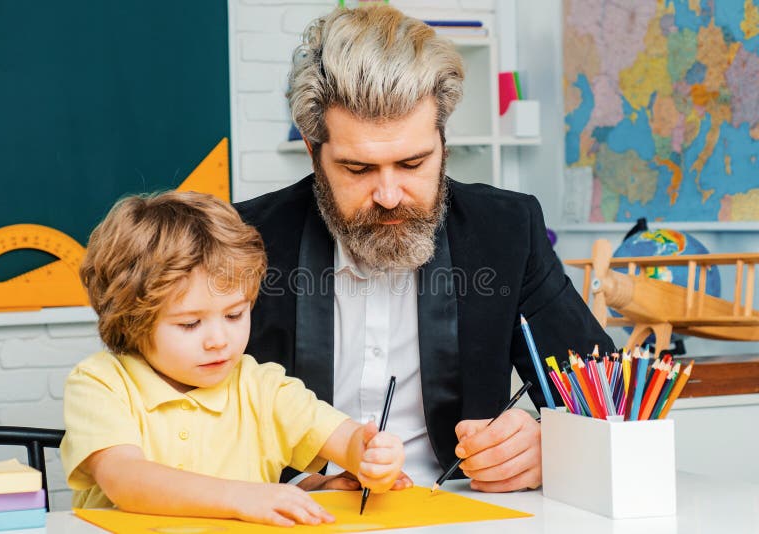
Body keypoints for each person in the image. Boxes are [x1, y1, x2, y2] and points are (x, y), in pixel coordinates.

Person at [234, 5, 614, 493]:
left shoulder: (507, 230)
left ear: (442, 141)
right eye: (358, 169)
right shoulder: (242, 238)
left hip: (460, 512)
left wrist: (552, 444)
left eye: (413, 163)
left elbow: (610, 396)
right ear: (313, 151)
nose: (389, 195)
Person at [60, 191, 406, 527]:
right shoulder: (101, 383)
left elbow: (345, 439)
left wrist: (370, 455)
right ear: (131, 319)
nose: (219, 341)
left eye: (234, 315)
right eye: (190, 323)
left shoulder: (262, 387)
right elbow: (125, 479)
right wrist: (243, 497)